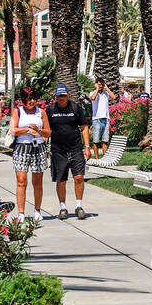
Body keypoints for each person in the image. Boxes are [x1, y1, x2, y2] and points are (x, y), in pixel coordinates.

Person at [47, 84, 91, 220]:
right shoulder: (50, 110)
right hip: (58, 150)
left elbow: (84, 127)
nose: (61, 98)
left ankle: (79, 206)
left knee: (78, 177)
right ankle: (63, 207)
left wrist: (87, 146)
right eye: (59, 96)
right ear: (56, 96)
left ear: (68, 95)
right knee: (61, 180)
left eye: (64, 95)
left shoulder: (75, 108)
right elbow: (46, 129)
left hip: (75, 148)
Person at [10, 86, 51, 222]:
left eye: (33, 99)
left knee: (37, 182)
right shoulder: (18, 111)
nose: (31, 102)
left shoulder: (41, 112)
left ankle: (37, 210)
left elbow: (48, 132)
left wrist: (38, 130)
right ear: (23, 100)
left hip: (38, 147)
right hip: (22, 147)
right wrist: (27, 129)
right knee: (22, 181)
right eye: (28, 99)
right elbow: (13, 130)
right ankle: (21, 213)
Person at [88, 77, 112, 159]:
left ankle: (105, 158)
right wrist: (97, 89)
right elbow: (93, 98)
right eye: (99, 85)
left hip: (106, 118)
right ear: (96, 85)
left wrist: (107, 88)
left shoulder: (106, 93)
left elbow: (114, 97)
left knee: (105, 140)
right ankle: (97, 158)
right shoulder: (92, 93)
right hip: (97, 119)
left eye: (102, 85)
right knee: (96, 141)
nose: (101, 86)